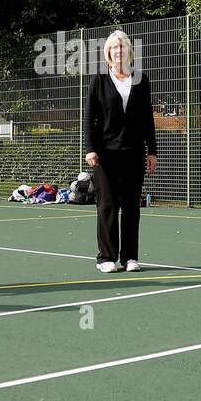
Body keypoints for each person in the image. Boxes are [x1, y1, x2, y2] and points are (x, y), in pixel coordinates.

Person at [85, 30, 158, 273]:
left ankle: (130, 257)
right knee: (107, 205)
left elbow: (147, 118)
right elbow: (89, 118)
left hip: (133, 153)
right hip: (105, 154)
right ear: (108, 52)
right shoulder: (99, 80)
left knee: (131, 206)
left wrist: (152, 151)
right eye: (114, 47)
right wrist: (90, 149)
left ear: (129, 51)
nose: (119, 51)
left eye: (122, 46)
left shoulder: (141, 80)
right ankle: (105, 258)